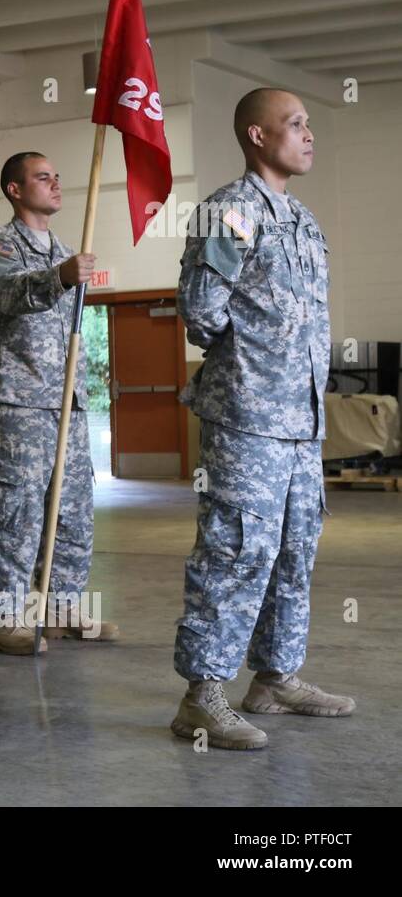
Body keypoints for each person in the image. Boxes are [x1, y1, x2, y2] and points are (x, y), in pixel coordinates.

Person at [171, 88, 355, 750]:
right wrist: (248, 363)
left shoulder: (302, 219)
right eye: (296, 124)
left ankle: (275, 678)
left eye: (308, 124)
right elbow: (200, 308)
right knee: (235, 552)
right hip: (247, 415)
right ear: (256, 134)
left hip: (301, 422)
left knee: (294, 551)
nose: (309, 135)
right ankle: (202, 696)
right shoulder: (230, 212)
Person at [0, 152, 118, 655]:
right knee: (15, 513)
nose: (55, 183)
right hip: (19, 406)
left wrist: (64, 270)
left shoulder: (68, 251)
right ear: (14, 189)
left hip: (66, 403)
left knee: (73, 509)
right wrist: (59, 277)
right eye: (41, 177)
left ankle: (62, 608)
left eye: (57, 175)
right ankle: (5, 619)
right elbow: (8, 295)